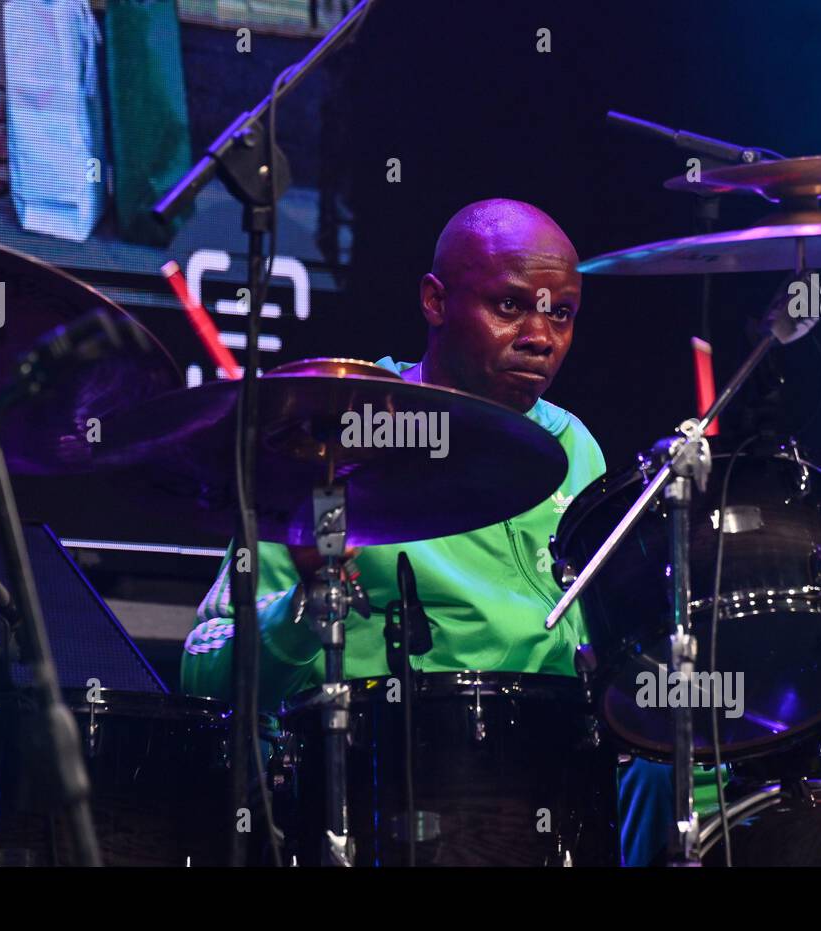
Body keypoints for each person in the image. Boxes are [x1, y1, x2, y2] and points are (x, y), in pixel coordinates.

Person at [182, 197, 712, 864]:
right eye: (511, 306)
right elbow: (203, 670)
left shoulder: (576, 445)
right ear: (435, 301)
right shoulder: (331, 435)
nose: (541, 337)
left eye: (562, 313)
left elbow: (599, 644)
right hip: (402, 789)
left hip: (562, 786)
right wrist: (304, 603)